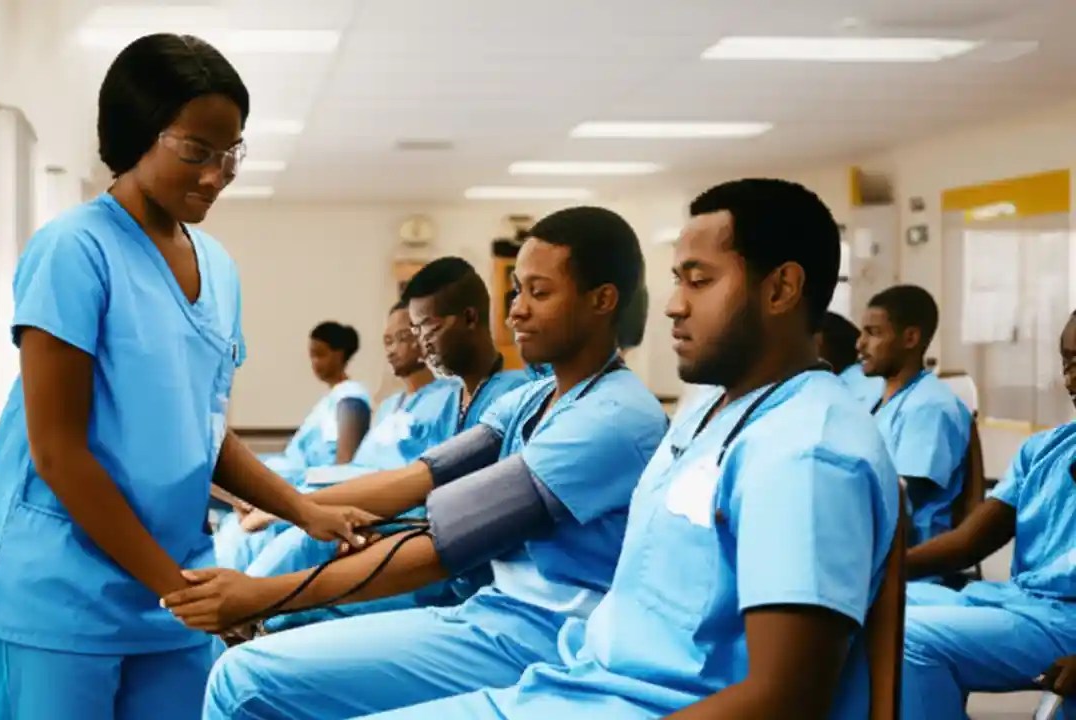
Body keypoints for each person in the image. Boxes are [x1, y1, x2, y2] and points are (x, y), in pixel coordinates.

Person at [345, 178, 901, 720]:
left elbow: (784, 700)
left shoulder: (805, 451)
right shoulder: (709, 410)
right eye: (676, 281)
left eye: (699, 281)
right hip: (582, 678)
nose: (673, 306)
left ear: (780, 289)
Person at [0, 34, 371, 720]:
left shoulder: (218, 269)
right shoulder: (75, 250)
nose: (215, 174)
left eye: (230, 152)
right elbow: (57, 451)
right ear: (137, 135)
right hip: (60, 594)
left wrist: (306, 509)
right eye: (196, 152)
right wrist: (185, 593)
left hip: (171, 590)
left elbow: (201, 431)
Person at [170, 206, 669, 720]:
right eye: (516, 290)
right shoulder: (533, 398)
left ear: (602, 300)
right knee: (250, 666)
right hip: (494, 611)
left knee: (245, 677)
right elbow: (417, 479)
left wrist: (263, 596)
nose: (516, 310)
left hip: (549, 635)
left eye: (538, 293)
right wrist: (293, 507)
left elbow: (446, 542)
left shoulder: (614, 416)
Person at [241, 258, 534, 630]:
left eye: (429, 327)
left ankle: (248, 616)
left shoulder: (512, 397)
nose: (423, 343)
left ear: (470, 318)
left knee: (295, 608)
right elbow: (421, 482)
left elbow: (458, 504)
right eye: (415, 330)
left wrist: (303, 508)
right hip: (421, 541)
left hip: (458, 572)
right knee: (295, 579)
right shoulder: (451, 399)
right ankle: (246, 615)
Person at [899, 310, 1076, 720]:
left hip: (1066, 619)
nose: (1071, 379)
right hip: (1021, 602)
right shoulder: (1046, 449)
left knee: (909, 639)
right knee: (876, 606)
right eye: (1067, 362)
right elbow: (969, 543)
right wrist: (879, 572)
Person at [214, 301, 460, 573]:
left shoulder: (445, 398)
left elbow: (391, 473)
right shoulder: (390, 406)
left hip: (370, 497)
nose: (391, 348)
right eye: (387, 340)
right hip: (325, 485)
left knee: (273, 538)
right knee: (237, 527)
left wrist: (290, 506)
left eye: (402, 338)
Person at [859, 285, 973, 546]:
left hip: (912, 567)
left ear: (910, 338)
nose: (860, 343)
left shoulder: (929, 408)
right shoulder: (884, 400)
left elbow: (900, 505)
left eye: (873, 333)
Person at [260, 321, 372, 479]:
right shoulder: (329, 400)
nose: (314, 362)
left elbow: (344, 466)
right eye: (312, 356)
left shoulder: (350, 396)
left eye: (320, 354)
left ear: (339, 354)